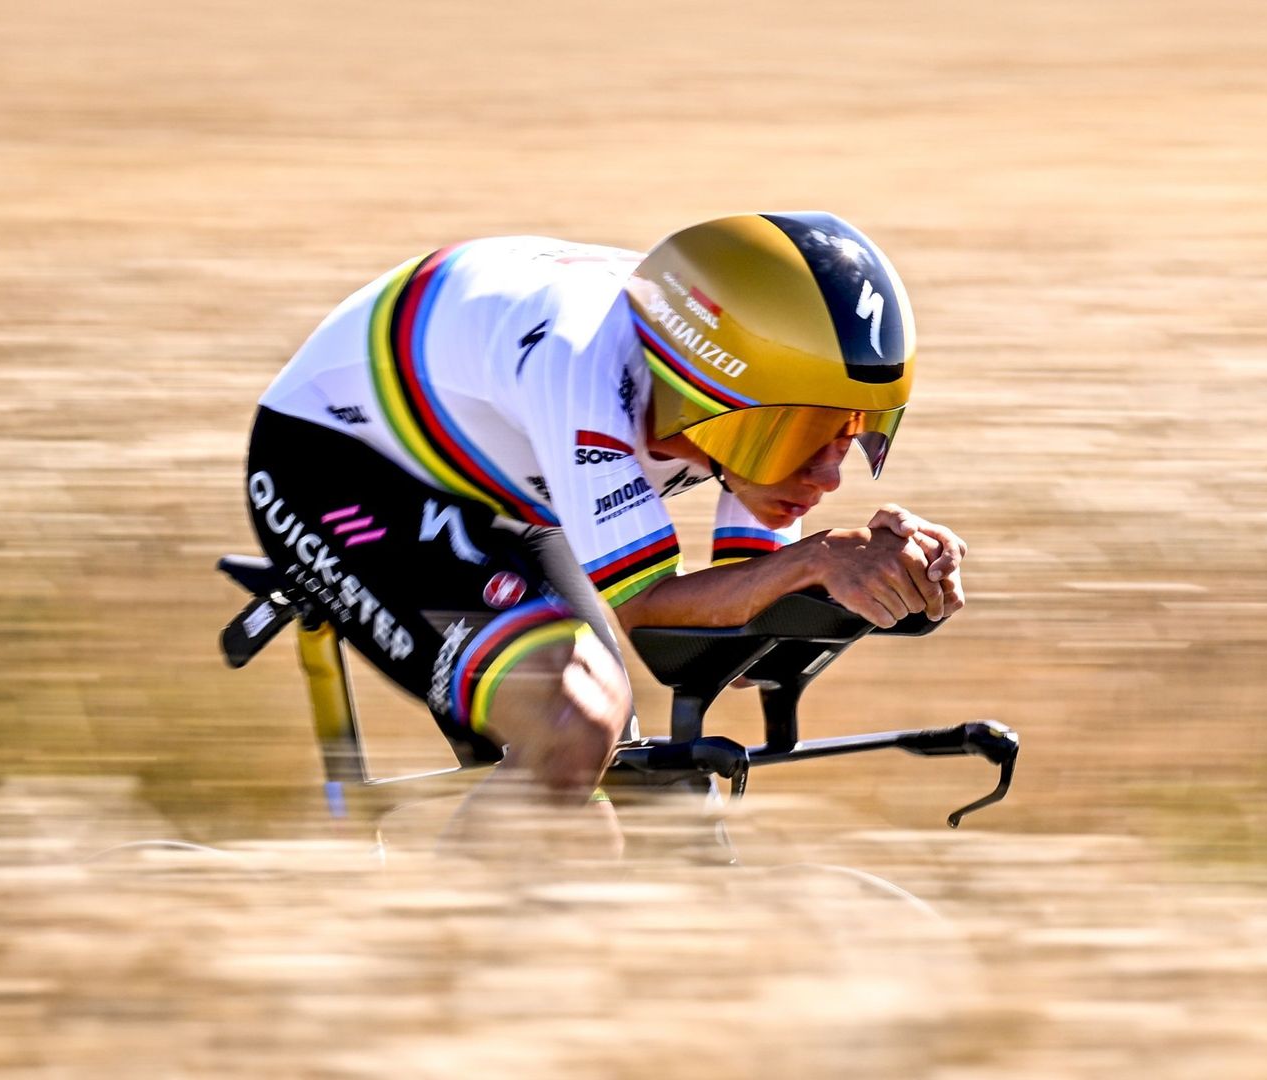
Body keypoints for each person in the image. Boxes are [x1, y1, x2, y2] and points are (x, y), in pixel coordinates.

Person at [241, 213, 966, 839]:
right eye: (797, 436)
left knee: (623, 804)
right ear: (693, 390)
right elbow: (649, 606)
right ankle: (437, 966)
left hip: (508, 489)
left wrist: (871, 578)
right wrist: (816, 559)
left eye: (853, 432)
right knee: (571, 730)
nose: (829, 476)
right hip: (337, 466)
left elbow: (733, 629)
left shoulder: (746, 395)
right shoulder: (583, 361)